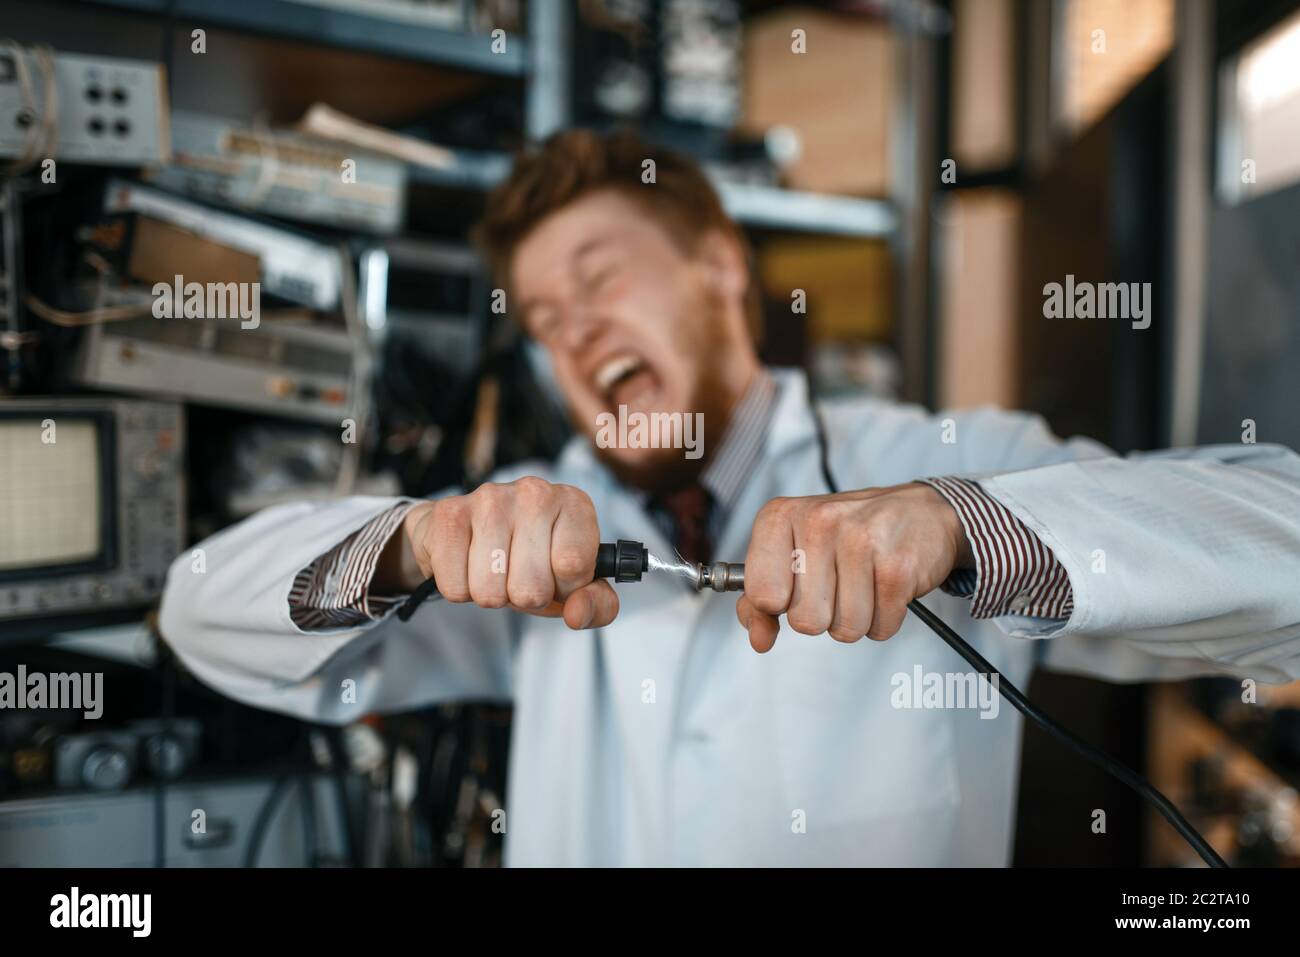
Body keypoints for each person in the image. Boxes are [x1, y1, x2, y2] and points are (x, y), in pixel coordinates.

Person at [159, 129, 1300, 866]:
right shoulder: (513, 537)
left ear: (717, 266)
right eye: (546, 321)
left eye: (598, 278)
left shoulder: (946, 464)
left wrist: (959, 527)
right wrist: (410, 540)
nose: (575, 331)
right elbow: (197, 605)